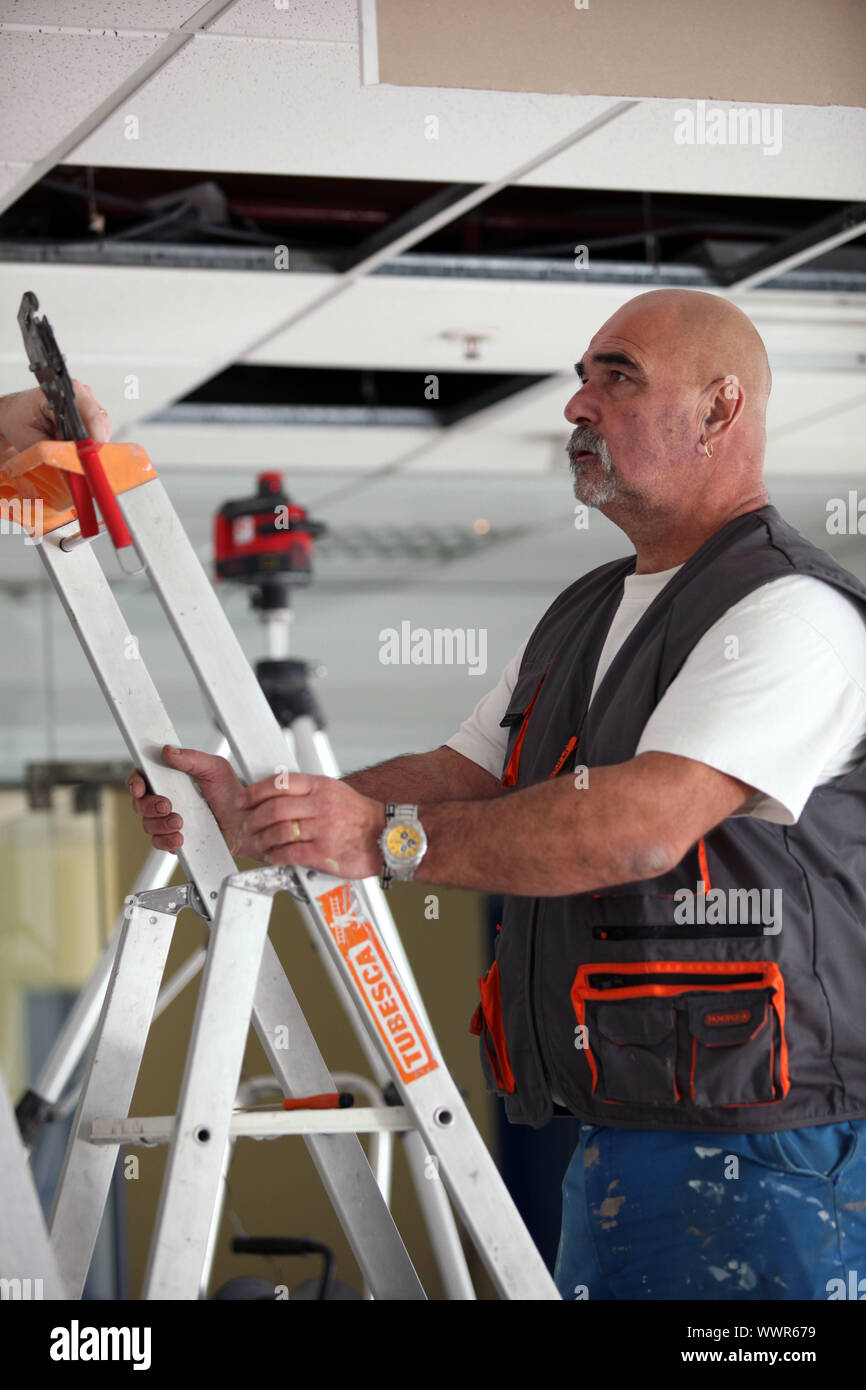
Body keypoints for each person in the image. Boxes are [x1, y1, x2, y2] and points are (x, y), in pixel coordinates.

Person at [109, 289, 865, 1299]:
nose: (576, 405)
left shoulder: (789, 614)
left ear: (720, 410)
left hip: (772, 1149)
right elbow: (463, 773)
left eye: (617, 376)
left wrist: (385, 841)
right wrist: (258, 813)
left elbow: (638, 828)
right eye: (581, 377)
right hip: (617, 1123)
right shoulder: (585, 608)